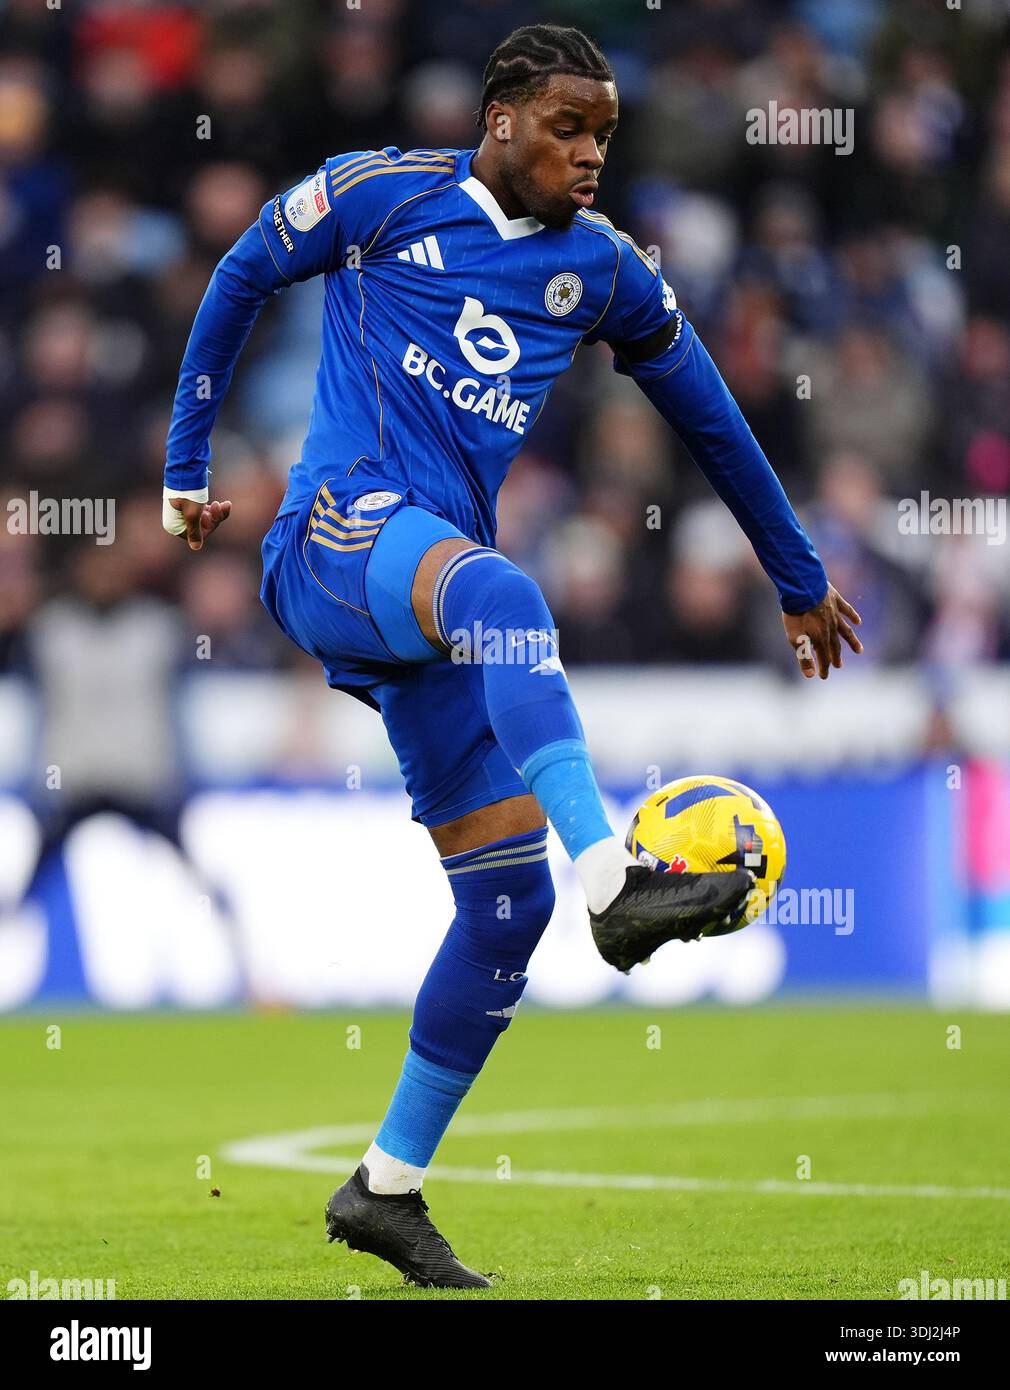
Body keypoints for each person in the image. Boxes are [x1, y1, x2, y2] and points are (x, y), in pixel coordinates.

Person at [163, 23, 862, 1289]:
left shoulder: (601, 271)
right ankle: (612, 877)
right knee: (503, 592)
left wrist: (798, 576)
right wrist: (184, 466)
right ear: (500, 119)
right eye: (566, 127)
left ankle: (386, 1186)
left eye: (603, 132)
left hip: (427, 608)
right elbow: (237, 278)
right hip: (336, 538)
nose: (590, 153)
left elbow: (710, 420)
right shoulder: (383, 195)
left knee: (501, 903)